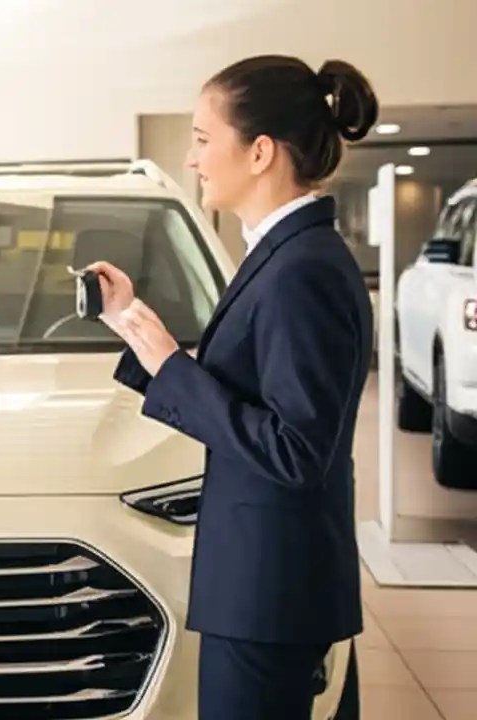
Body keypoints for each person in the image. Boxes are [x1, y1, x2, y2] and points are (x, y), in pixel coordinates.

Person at [89, 55, 377, 719]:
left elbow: (295, 450)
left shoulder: (302, 270)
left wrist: (169, 363)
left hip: (270, 594)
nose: (192, 159)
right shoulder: (283, 256)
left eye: (201, 138)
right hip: (263, 588)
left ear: (260, 153)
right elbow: (244, 394)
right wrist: (136, 328)